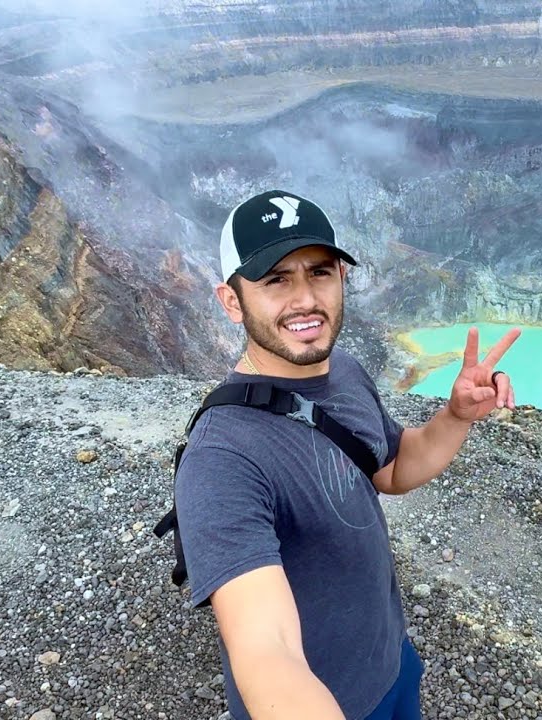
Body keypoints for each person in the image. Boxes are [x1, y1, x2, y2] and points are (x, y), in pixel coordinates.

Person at [175, 189, 520, 720]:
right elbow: (266, 649)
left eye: (320, 272)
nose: (305, 299)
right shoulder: (222, 456)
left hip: (391, 662)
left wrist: (454, 417)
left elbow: (393, 467)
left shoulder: (347, 372)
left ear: (342, 279)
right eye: (275, 280)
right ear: (231, 301)